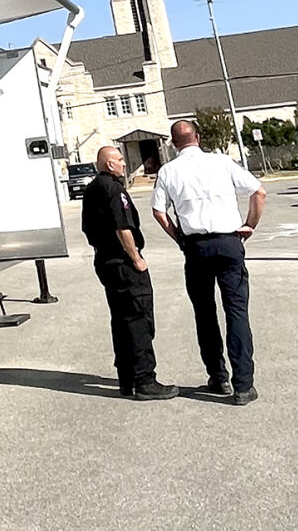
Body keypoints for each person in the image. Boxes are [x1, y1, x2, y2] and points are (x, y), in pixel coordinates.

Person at [151, 120, 266, 406]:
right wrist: (249, 224)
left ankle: (218, 376)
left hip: (196, 246)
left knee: (205, 313)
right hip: (228, 242)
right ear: (198, 138)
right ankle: (243, 385)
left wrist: (179, 238)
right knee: (236, 311)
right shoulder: (222, 162)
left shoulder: (168, 171)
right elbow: (259, 192)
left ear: (173, 143)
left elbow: (158, 211)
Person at [81, 142, 178, 401]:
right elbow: (122, 226)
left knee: (121, 319)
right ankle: (145, 380)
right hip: (122, 262)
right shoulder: (113, 189)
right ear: (109, 164)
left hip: (104, 261)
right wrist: (136, 258)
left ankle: (127, 378)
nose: (124, 164)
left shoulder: (91, 189)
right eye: (120, 160)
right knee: (138, 318)